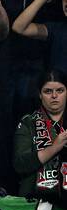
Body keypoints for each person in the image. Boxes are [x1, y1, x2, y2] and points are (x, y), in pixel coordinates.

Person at [13, 70, 67, 199]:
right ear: (40, 95)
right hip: (37, 201)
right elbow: (20, 165)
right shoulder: (28, 123)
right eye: (48, 91)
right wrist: (54, 148)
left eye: (60, 90)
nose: (54, 95)